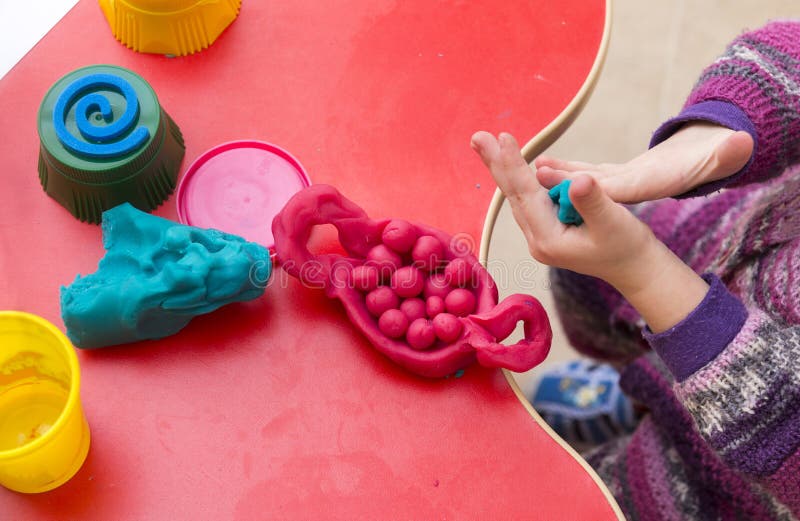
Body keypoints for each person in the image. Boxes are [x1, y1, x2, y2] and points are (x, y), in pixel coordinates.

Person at [471, 20, 800, 520]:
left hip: (714, 482)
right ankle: (633, 391)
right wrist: (709, 136)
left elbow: (784, 435)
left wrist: (644, 272)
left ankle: (651, 404)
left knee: (563, 500)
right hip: (716, 234)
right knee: (584, 285)